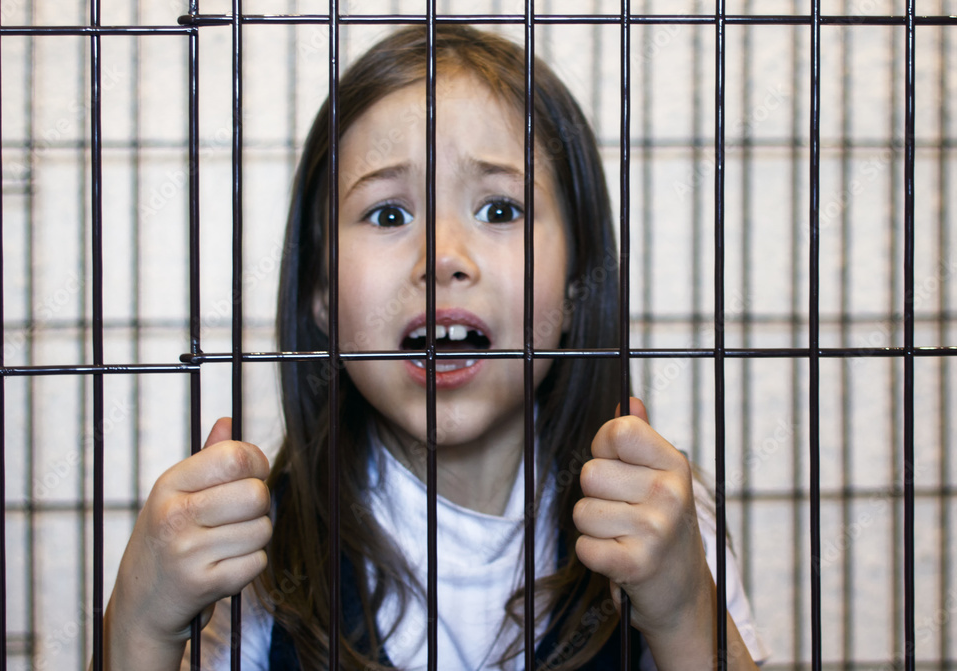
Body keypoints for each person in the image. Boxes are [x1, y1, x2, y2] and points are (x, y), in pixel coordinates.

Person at [99, 25, 768, 670]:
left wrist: (684, 609)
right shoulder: (258, 552)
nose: (443, 256)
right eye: (389, 214)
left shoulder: (660, 516)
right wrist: (138, 624)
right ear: (321, 296)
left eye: (500, 209)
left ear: (574, 285)